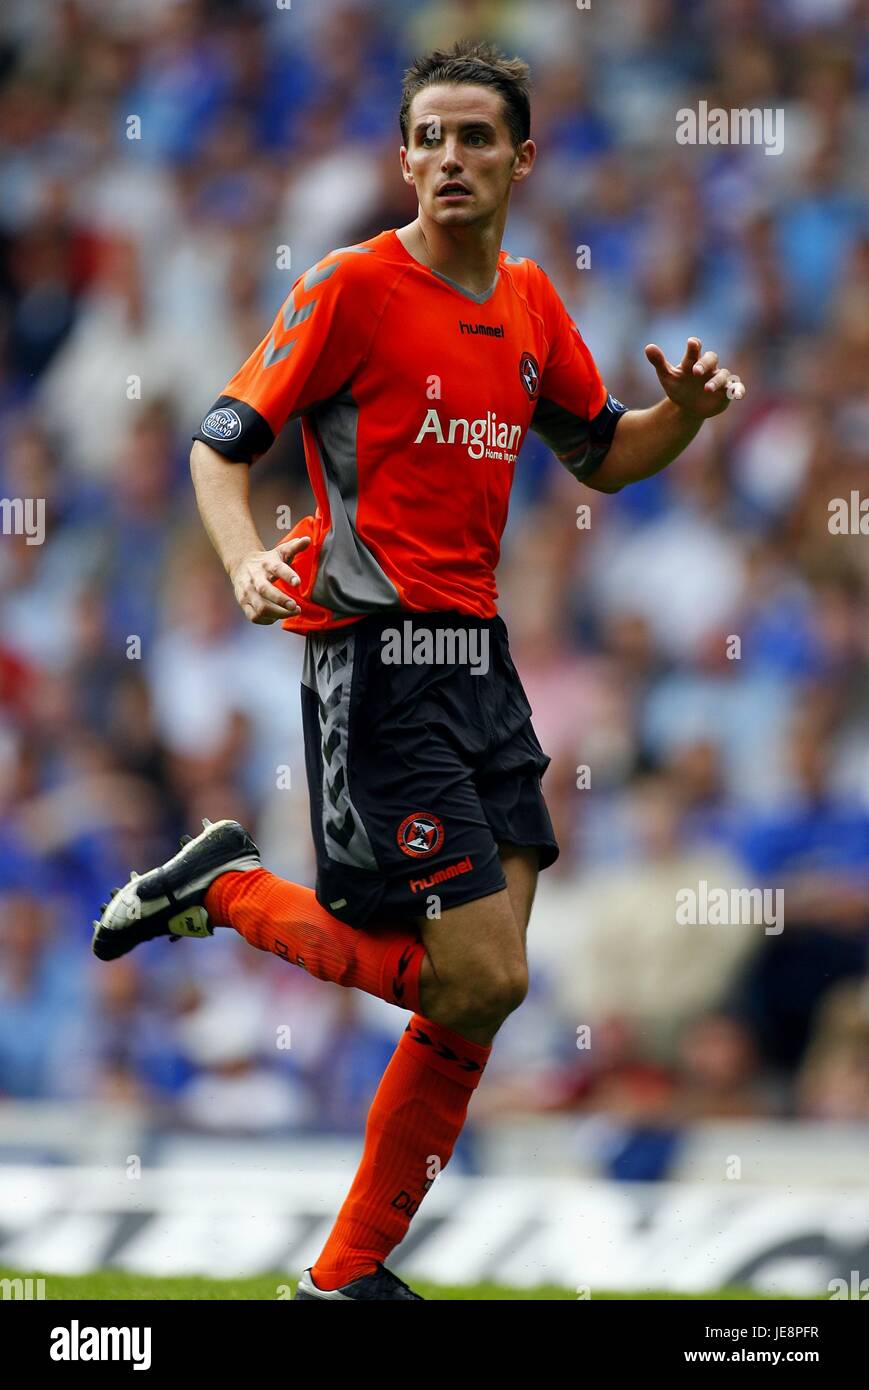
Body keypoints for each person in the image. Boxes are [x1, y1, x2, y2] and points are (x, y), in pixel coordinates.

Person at [92, 39, 745, 1301]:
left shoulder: (532, 305)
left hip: (480, 663)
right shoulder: (347, 288)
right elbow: (218, 448)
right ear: (402, 159)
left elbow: (603, 453)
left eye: (476, 138)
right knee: (482, 973)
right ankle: (225, 891)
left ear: (520, 160)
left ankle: (344, 1278)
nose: (451, 158)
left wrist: (688, 421)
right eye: (430, 139)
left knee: (476, 999)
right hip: (379, 662)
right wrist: (240, 565)